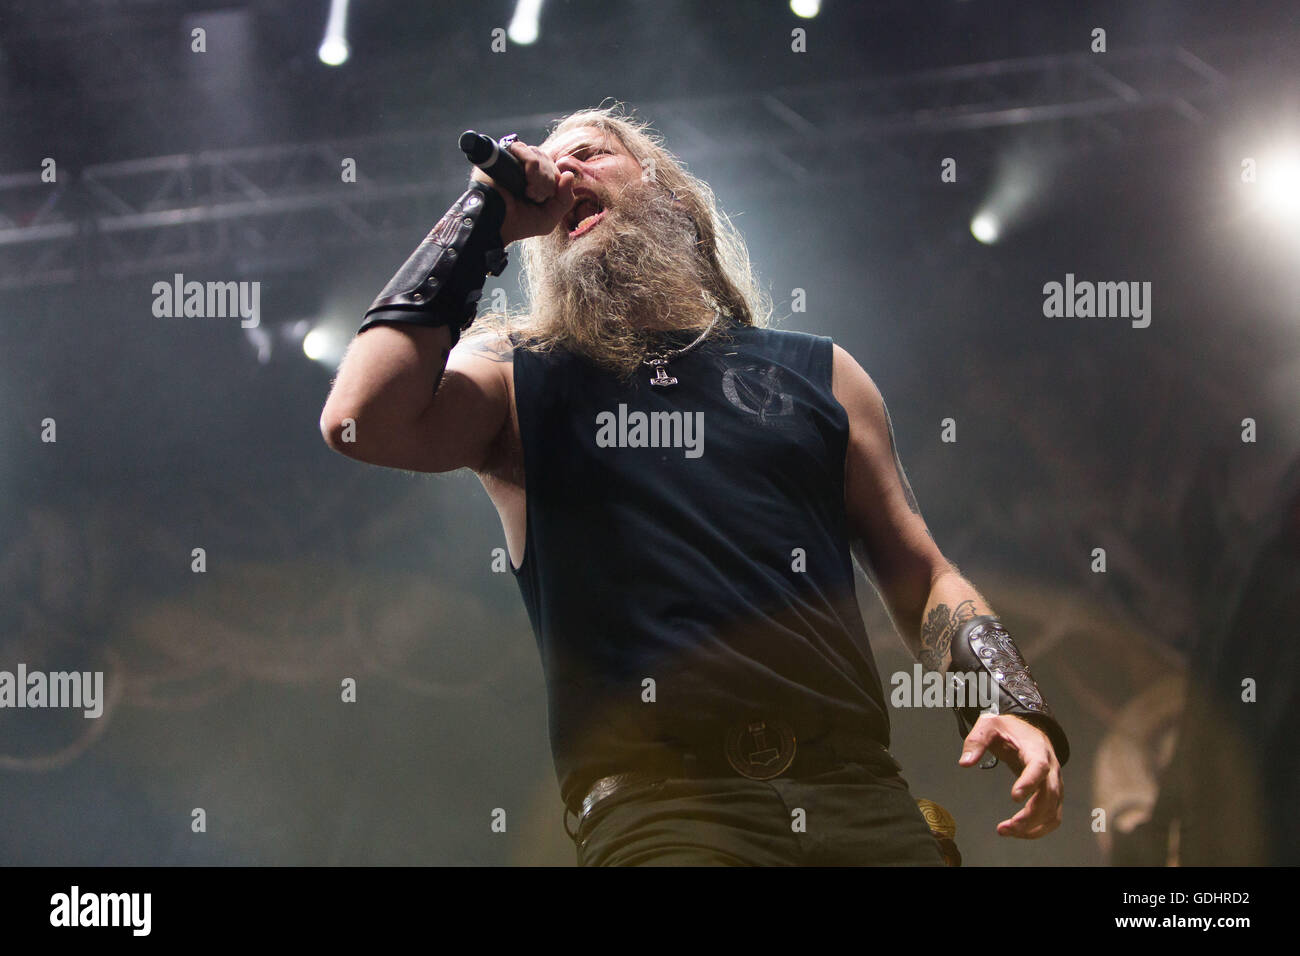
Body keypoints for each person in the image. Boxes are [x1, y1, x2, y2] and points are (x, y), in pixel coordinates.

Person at [319, 103, 1069, 866]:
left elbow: (922, 571)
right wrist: (485, 212)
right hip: (663, 813)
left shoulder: (820, 372)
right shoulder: (518, 376)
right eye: (549, 165)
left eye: (589, 152)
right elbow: (360, 422)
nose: (563, 170)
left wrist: (1008, 700)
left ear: (672, 195)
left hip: (860, 800)